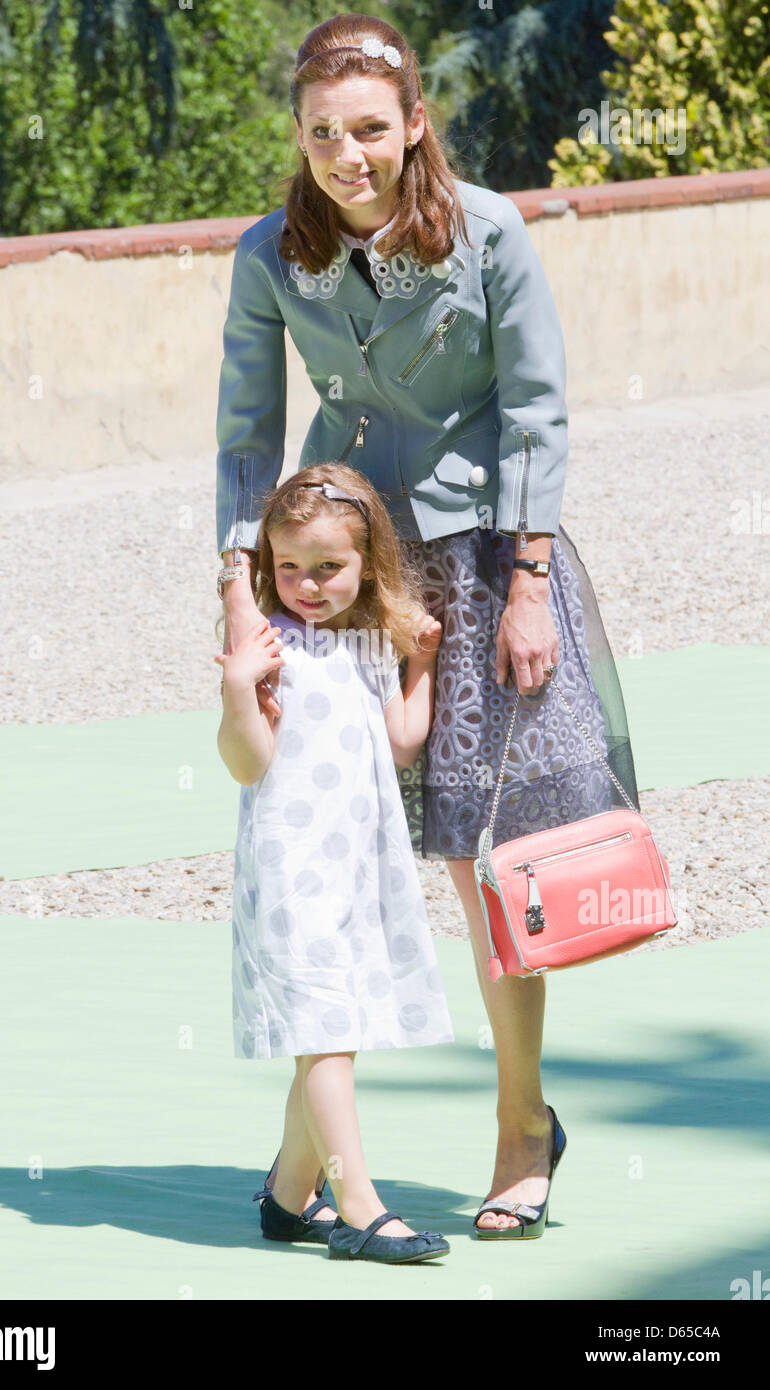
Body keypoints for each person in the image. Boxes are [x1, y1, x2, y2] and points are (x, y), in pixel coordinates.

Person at [215, 14, 639, 1238]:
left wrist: (522, 580)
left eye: (366, 129)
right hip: (335, 577)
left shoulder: (491, 232)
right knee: (326, 856)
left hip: (478, 562)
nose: (345, 155)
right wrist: (243, 600)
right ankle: (304, 1174)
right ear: (299, 138)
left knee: (481, 862)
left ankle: (520, 1124)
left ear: (411, 125)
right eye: (319, 133)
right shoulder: (264, 256)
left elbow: (536, 408)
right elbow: (245, 438)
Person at [215, 462, 455, 1265]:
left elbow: (398, 741)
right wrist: (239, 695)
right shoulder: (265, 642)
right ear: (267, 565)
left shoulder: (361, 640)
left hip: (355, 866)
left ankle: (288, 1199)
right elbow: (246, 764)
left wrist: (419, 662)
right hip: (291, 870)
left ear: (367, 563)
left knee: (332, 1029)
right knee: (326, 1034)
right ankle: (359, 1205)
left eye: (328, 568)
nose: (307, 585)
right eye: (289, 568)